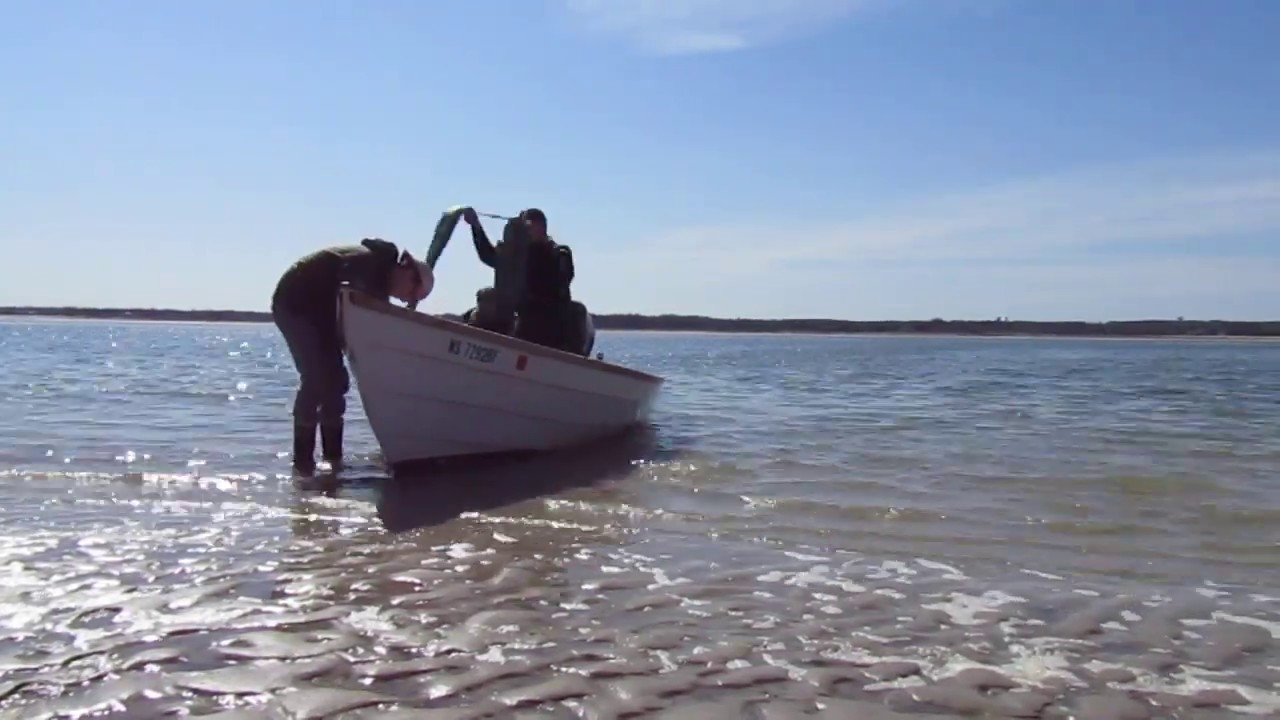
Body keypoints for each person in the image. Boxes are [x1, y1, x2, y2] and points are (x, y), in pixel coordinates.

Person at [270, 238, 434, 475]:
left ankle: (332, 460)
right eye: (410, 294)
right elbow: (349, 295)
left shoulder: (375, 277)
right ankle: (303, 462)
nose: (405, 299)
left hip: (321, 313)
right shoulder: (368, 264)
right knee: (316, 378)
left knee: (336, 382)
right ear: (407, 271)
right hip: (296, 304)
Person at [462, 207, 548, 335]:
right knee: (481, 303)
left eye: (528, 226)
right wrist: (476, 226)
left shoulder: (551, 254)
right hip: (504, 312)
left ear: (541, 227)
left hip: (533, 315)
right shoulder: (510, 255)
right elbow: (487, 255)